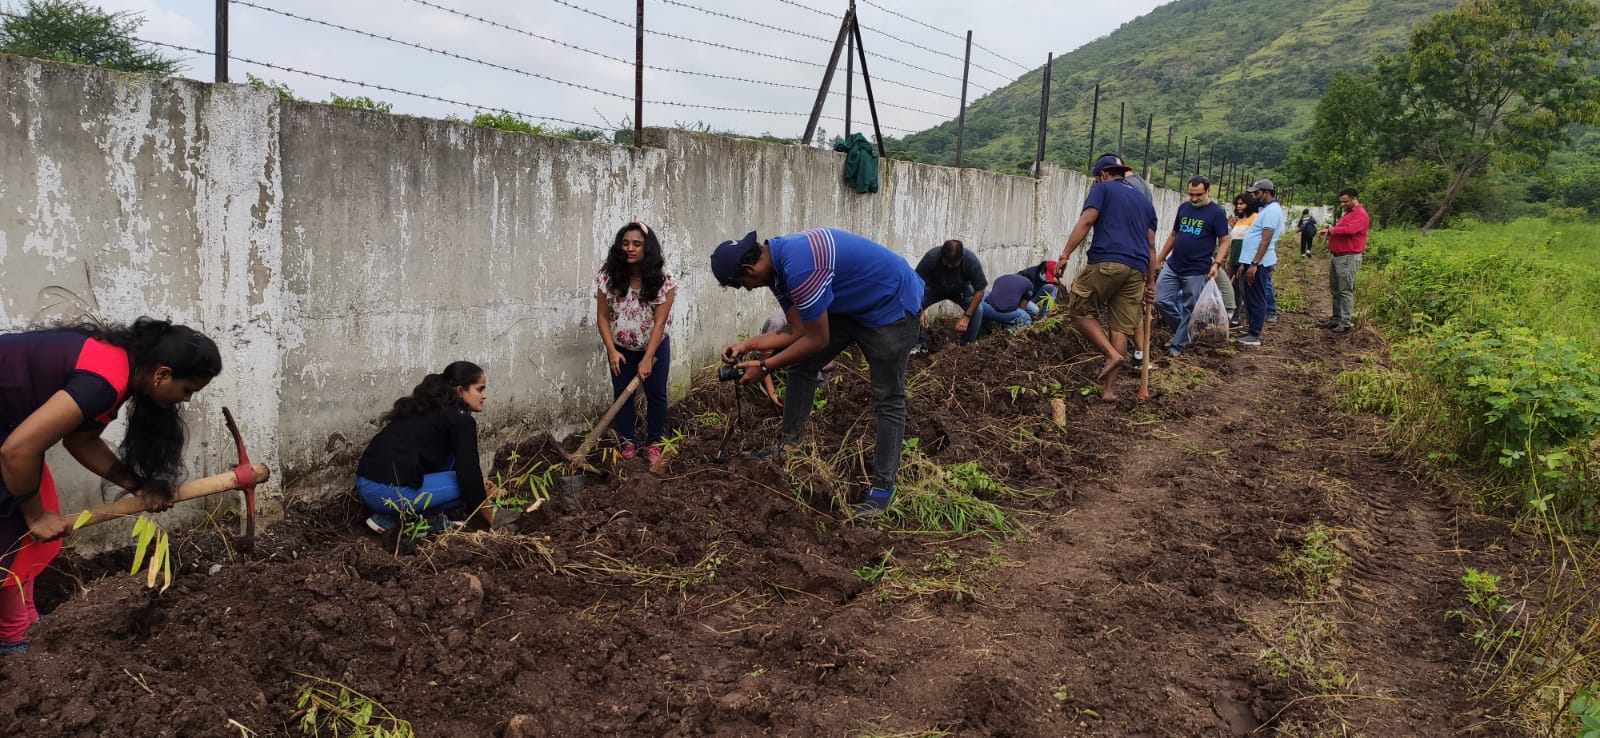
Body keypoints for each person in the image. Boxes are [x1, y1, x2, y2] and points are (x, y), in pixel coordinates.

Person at [0, 318, 222, 655]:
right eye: (187, 390)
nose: (187, 401)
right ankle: (13, 640)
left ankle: (28, 623)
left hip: (12, 439)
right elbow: (16, 452)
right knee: (12, 533)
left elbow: (81, 441)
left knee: (32, 512)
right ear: (161, 375)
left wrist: (137, 484)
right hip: (11, 445)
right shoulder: (104, 382)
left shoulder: (119, 367)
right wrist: (34, 516)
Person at [711, 228, 922, 517]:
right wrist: (748, 344)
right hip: (852, 307)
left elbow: (817, 339)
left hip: (891, 306)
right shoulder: (777, 270)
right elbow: (797, 328)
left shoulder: (799, 268)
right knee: (803, 365)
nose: (748, 289)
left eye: (743, 284)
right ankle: (789, 447)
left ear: (749, 269)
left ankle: (882, 489)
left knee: (888, 397)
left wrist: (764, 367)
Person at [1055, 154, 1158, 400]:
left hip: (1108, 261)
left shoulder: (1102, 189)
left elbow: (1088, 219)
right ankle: (1108, 391)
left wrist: (1065, 254)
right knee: (1120, 327)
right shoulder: (1145, 202)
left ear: (1102, 174)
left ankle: (1111, 355)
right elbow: (1152, 245)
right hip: (1137, 269)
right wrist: (1151, 282)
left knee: (1079, 310)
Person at [355, 361, 500, 536]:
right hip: (389, 493)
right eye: (480, 389)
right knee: (472, 487)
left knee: (464, 470)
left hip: (365, 484)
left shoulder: (428, 407)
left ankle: (407, 517)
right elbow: (469, 479)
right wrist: (493, 521)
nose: (484, 396)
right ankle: (395, 519)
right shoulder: (461, 421)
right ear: (461, 391)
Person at [595, 221, 678, 463]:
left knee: (656, 394)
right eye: (625, 243)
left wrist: (647, 359)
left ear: (647, 248)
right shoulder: (609, 278)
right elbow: (602, 316)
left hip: (654, 348)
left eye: (637, 244)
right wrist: (611, 350)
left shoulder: (664, 281)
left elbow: (659, 323)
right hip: (621, 349)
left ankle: (654, 443)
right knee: (622, 394)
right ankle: (628, 442)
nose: (630, 248)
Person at [1152, 176, 1231, 356]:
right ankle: (1184, 331)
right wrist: (1159, 259)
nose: (1194, 199)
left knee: (1190, 307)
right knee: (1161, 300)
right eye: (1191, 194)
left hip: (1197, 269)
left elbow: (1224, 241)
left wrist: (1216, 264)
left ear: (1208, 191)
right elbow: (1173, 235)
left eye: (1199, 195)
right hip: (1173, 265)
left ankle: (1177, 346)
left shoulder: (1216, 213)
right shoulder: (1184, 208)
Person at [1235, 179, 1285, 346]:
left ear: (1267, 192)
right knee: (1249, 297)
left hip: (1259, 263)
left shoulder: (1272, 211)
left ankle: (1254, 334)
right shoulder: (1265, 209)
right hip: (1251, 261)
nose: (1254, 196)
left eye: (1257, 193)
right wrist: (1244, 263)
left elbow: (1265, 239)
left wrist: (1255, 263)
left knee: (1256, 298)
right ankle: (1250, 329)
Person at [914, 239, 987, 349]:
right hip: (934, 289)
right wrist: (919, 309)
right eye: (946, 263)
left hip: (960, 290)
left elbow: (980, 291)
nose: (949, 266)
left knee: (978, 310)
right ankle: (919, 344)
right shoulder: (931, 257)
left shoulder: (970, 260)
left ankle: (965, 346)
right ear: (941, 256)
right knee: (912, 308)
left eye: (953, 264)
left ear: (961, 258)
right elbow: (915, 283)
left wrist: (966, 317)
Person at [1319, 188, 1370, 334]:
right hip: (1337, 256)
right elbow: (1341, 230)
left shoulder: (1361, 214)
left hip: (1348, 257)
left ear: (1354, 199)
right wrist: (1330, 230)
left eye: (1345, 201)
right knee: (1335, 290)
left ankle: (1346, 322)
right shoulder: (1347, 214)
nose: (1342, 204)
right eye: (1341, 201)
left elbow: (1350, 230)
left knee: (1345, 290)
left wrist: (1332, 230)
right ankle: (1336, 318)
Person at [1223, 193, 1255, 326]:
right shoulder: (1238, 220)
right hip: (1234, 258)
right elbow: (1234, 240)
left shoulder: (1254, 218)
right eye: (1237, 204)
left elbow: (1252, 241)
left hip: (1245, 260)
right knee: (1234, 289)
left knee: (1244, 290)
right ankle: (1234, 315)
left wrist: (1244, 262)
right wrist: (1229, 258)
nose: (1238, 206)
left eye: (1242, 203)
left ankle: (1250, 319)